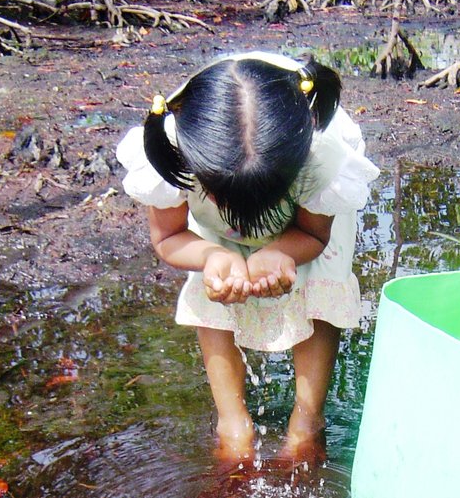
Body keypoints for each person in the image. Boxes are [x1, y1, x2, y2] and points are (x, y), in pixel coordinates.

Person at [117, 51, 379, 463]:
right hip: (214, 222)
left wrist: (280, 252)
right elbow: (168, 237)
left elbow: (314, 234)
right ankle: (232, 423)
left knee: (320, 287)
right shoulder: (175, 149)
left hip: (304, 226)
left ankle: (307, 420)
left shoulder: (320, 151)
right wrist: (211, 256)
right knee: (214, 287)